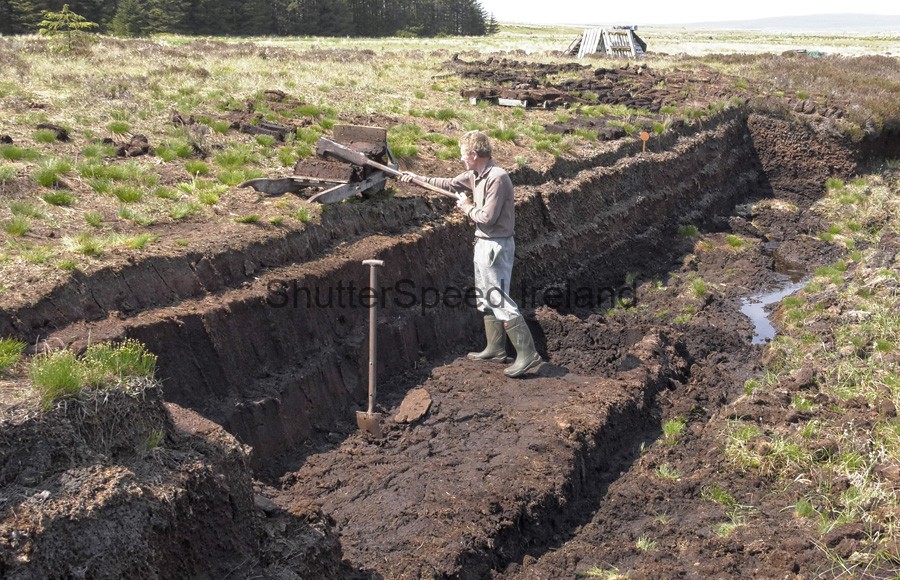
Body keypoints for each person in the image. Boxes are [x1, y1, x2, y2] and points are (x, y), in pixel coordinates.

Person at [400, 130, 542, 378]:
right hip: (484, 243)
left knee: (498, 299)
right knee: (486, 298)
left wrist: (467, 208)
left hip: (495, 245)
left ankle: (528, 356)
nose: (461, 159)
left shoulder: (497, 178)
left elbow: (487, 218)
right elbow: (447, 183)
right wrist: (415, 178)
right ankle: (496, 348)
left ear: (474, 154)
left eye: (463, 155)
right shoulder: (475, 175)